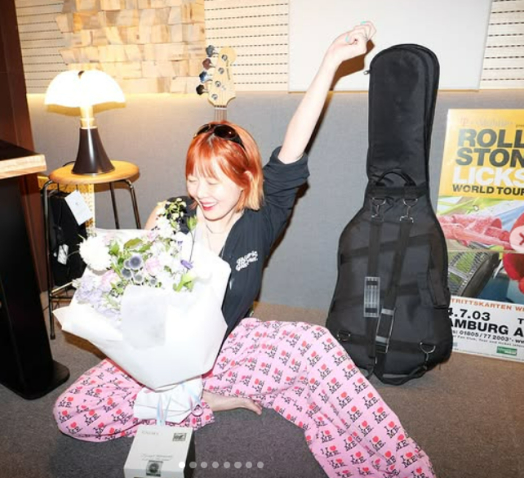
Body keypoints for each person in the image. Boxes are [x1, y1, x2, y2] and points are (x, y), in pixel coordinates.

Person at [53, 22, 437, 477]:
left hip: (231, 344)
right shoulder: (171, 215)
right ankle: (202, 399)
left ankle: (393, 466)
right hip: (163, 354)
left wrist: (331, 62)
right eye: (193, 178)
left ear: (246, 179)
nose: (200, 192)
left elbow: (295, 141)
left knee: (317, 346)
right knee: (74, 412)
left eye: (214, 181)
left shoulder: (263, 215)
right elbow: (137, 301)